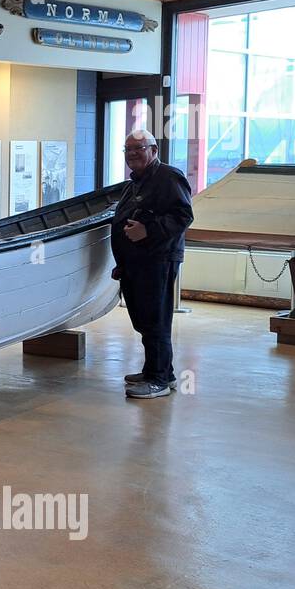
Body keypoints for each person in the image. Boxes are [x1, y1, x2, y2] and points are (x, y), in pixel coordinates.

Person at [110, 129, 194, 399]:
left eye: (139, 147)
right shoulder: (134, 183)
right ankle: (159, 372)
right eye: (128, 149)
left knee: (155, 319)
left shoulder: (168, 177)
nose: (132, 154)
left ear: (154, 150)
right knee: (145, 319)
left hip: (157, 260)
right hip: (137, 263)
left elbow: (183, 215)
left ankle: (157, 380)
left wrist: (149, 230)